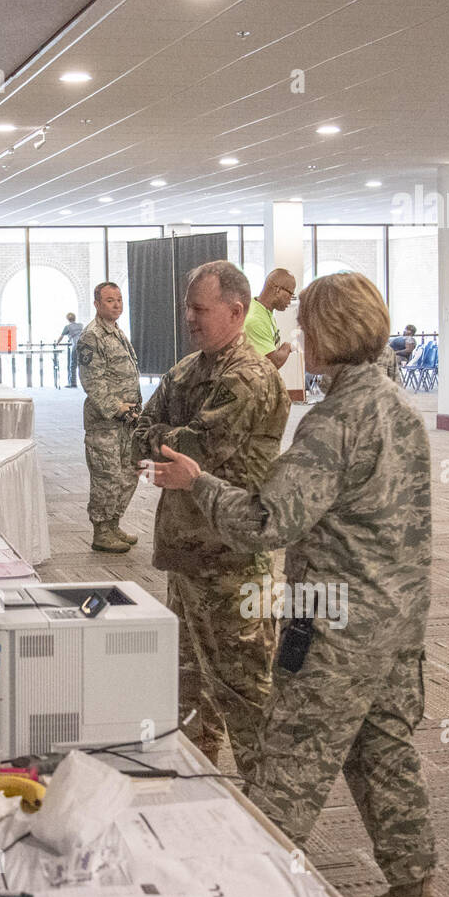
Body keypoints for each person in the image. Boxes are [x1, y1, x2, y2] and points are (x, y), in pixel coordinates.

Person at [145, 272, 440, 897]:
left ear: (331, 332)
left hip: (335, 621)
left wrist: (199, 482)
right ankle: (415, 890)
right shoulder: (399, 407)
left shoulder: (335, 423)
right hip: (399, 621)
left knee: (287, 769)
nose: (301, 336)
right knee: (382, 754)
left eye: (308, 324)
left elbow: (266, 521)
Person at [132, 262, 290, 777]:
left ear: (236, 311)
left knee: (244, 696)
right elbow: (138, 433)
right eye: (188, 308)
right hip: (186, 554)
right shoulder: (188, 370)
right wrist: (163, 439)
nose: (189, 319)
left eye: (200, 309)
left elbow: (197, 449)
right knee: (187, 690)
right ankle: (199, 792)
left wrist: (165, 438)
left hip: (234, 564)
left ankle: (271, 817)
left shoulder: (247, 376)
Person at [77, 282, 141, 553]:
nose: (116, 305)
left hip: (127, 421)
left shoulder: (116, 332)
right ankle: (101, 531)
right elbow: (92, 382)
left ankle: (114, 524)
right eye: (109, 300)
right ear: (97, 304)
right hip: (106, 423)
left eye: (119, 300)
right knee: (107, 476)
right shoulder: (91, 336)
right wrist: (117, 408)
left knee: (129, 473)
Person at [244, 268, 297, 368]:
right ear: (278, 290)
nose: (290, 301)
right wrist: (288, 347)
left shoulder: (265, 310)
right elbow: (273, 364)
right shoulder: (255, 320)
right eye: (290, 295)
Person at [57, 311, 84, 388]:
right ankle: (85, 383)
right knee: (82, 365)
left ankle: (73, 383)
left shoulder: (67, 327)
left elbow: (61, 337)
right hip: (83, 346)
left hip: (75, 346)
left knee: (73, 365)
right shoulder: (81, 325)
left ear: (68, 319)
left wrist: (57, 343)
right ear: (75, 318)